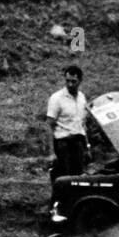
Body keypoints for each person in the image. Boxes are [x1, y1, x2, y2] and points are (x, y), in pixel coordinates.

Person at [46, 65, 90, 199]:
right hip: (63, 144)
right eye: (68, 81)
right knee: (63, 180)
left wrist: (87, 147)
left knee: (79, 179)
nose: (70, 84)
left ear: (80, 81)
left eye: (74, 81)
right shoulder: (56, 98)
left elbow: (83, 124)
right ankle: (58, 206)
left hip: (78, 143)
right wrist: (51, 153)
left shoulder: (82, 97)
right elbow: (49, 125)